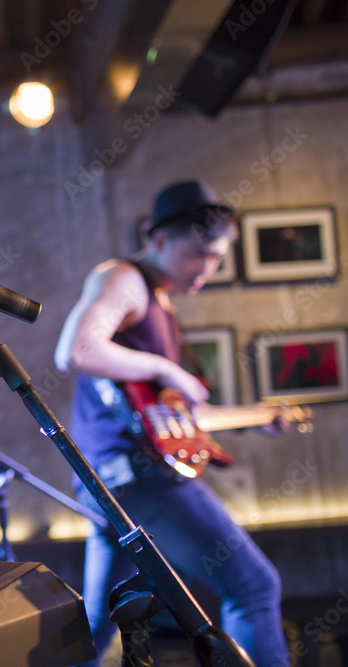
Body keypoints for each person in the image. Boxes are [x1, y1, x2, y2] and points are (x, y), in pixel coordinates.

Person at [54, 180, 289, 666]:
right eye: (198, 253)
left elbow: (177, 420)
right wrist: (167, 368)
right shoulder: (124, 279)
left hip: (110, 484)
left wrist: (256, 418)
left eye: (218, 257)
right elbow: (76, 350)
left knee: (95, 629)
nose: (208, 267)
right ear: (158, 238)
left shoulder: (161, 305)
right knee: (253, 586)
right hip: (138, 478)